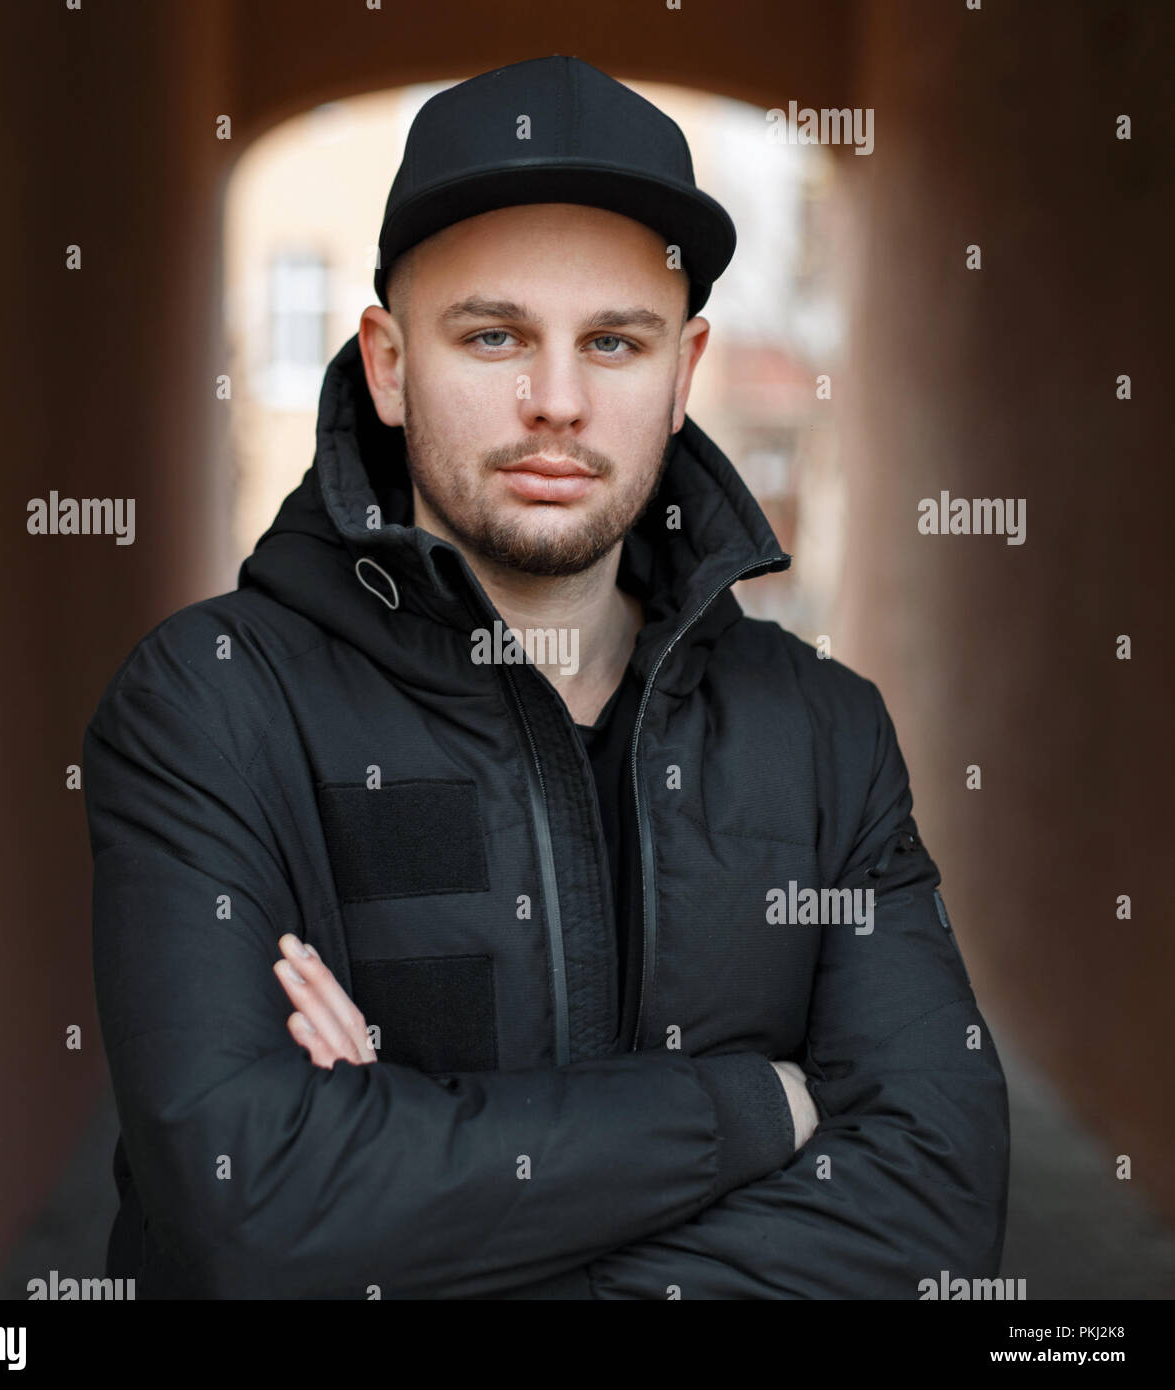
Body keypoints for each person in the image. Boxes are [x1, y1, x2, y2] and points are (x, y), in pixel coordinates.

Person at [84, 54, 1010, 1299]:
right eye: (493, 334)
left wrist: (411, 1199)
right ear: (389, 363)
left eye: (614, 342)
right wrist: (747, 1112)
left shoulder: (822, 732)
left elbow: (932, 1215)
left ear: (683, 376)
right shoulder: (211, 705)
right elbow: (251, 1214)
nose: (558, 401)